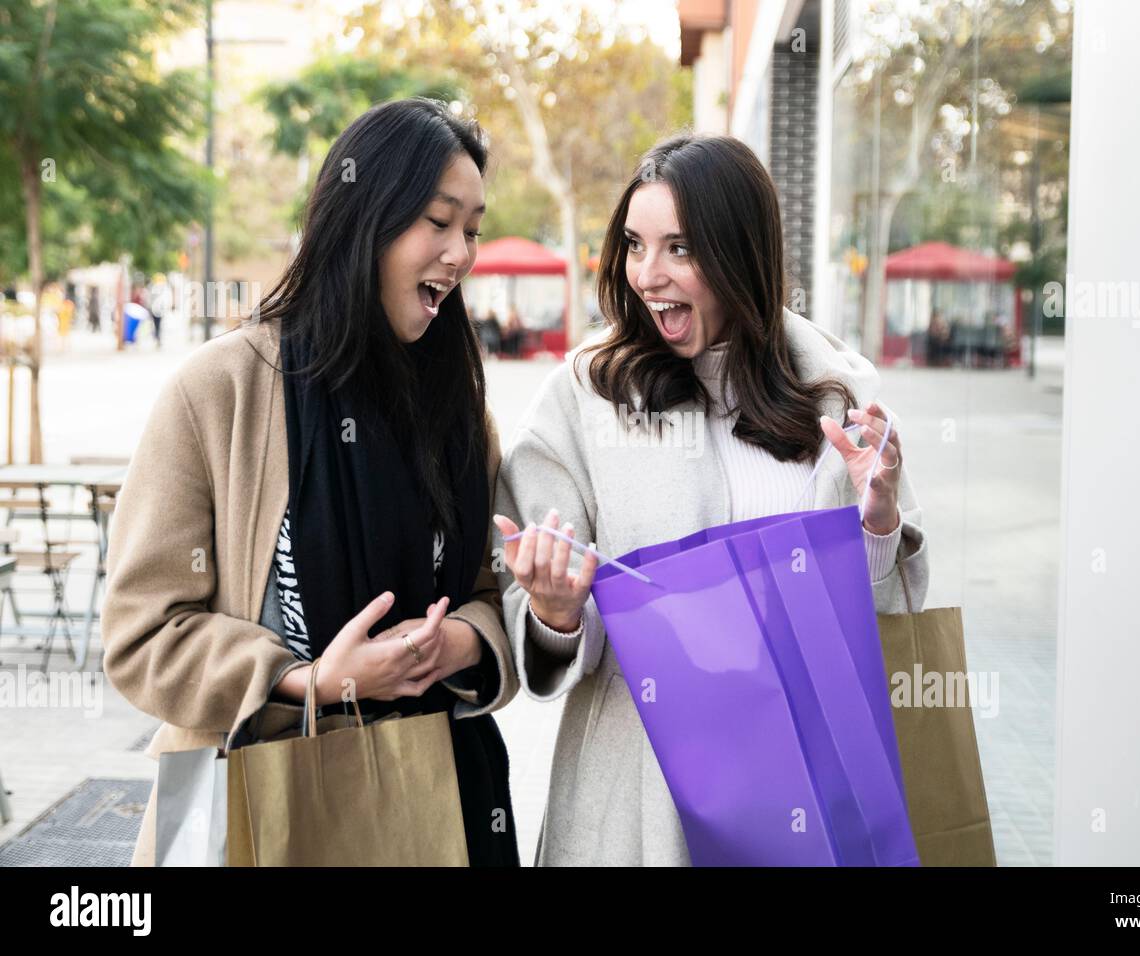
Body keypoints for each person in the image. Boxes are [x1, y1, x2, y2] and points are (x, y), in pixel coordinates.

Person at [102, 97, 520, 866]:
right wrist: (308, 679)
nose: (460, 253)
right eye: (438, 220)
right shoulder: (218, 391)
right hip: (259, 799)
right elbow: (142, 635)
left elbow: (492, 596)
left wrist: (456, 644)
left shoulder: (461, 412)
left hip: (440, 802)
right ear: (364, 218)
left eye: (473, 230)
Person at [492, 134, 930, 866]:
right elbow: (535, 612)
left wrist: (879, 523)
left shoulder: (836, 399)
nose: (647, 274)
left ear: (738, 253)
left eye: (680, 248)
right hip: (637, 803)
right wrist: (556, 612)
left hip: (804, 787)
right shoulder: (582, 399)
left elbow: (878, 623)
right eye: (634, 244)